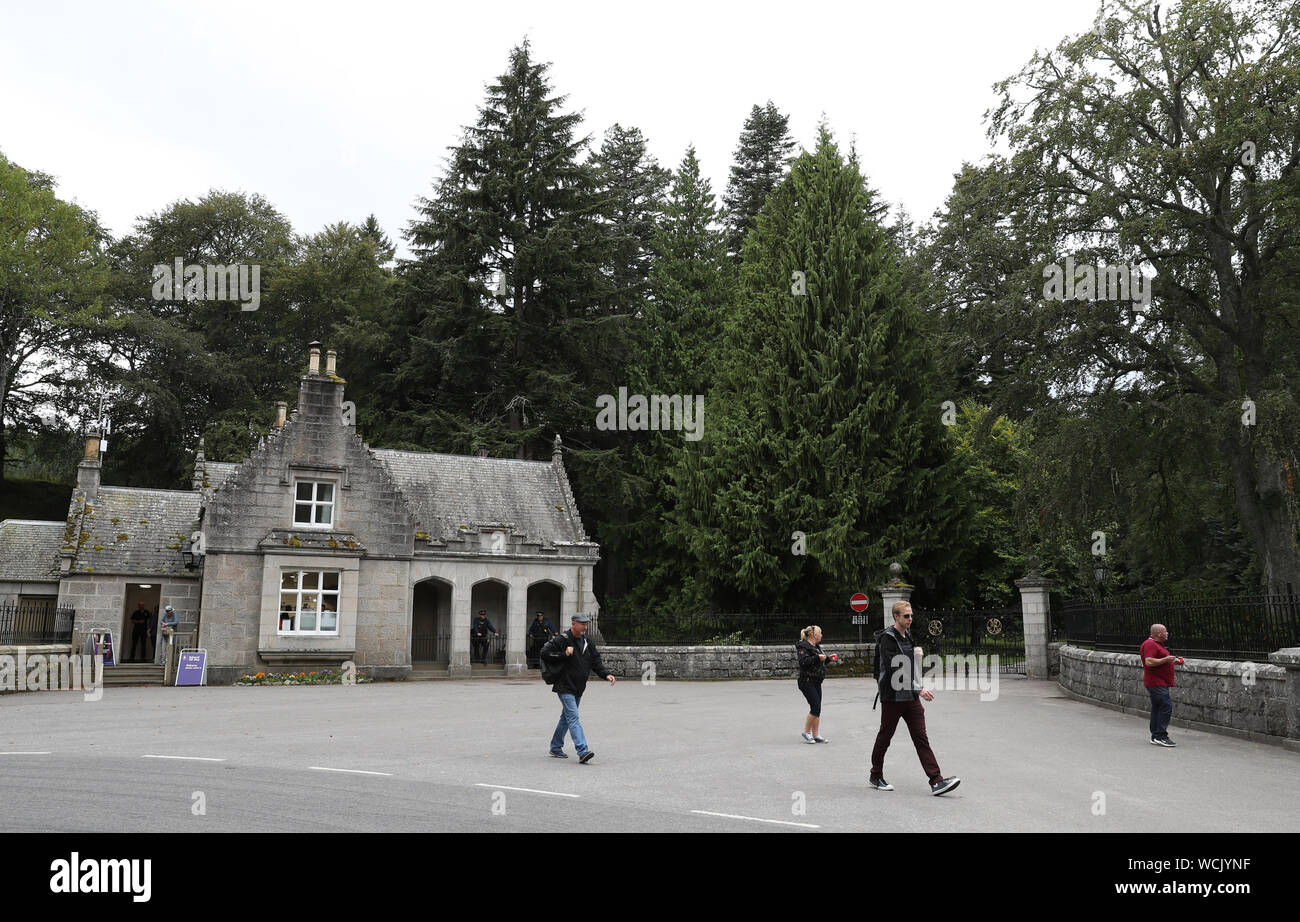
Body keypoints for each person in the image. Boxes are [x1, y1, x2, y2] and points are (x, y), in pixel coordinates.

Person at [870, 601, 961, 795]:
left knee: (921, 737)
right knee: (885, 737)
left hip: (910, 696)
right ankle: (876, 775)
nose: (910, 619)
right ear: (896, 616)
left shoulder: (907, 636)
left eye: (911, 615)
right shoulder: (888, 638)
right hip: (893, 696)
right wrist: (918, 689)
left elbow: (910, 667)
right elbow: (895, 669)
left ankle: (936, 781)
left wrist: (916, 660)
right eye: (906, 616)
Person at [540, 613, 615, 763]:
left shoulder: (587, 641)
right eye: (582, 624)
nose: (585, 627)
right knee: (573, 717)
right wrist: (564, 654)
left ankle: (555, 746)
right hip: (564, 685)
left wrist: (606, 674)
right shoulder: (563, 639)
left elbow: (596, 662)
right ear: (573, 624)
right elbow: (544, 653)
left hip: (579, 686)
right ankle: (582, 751)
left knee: (566, 718)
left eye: (586, 624)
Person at [1140, 623, 1182, 747]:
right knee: (1166, 706)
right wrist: (1166, 660)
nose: (1167, 633)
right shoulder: (1150, 644)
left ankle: (1155, 735)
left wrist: (1173, 661)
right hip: (1156, 682)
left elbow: (1160, 660)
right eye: (1165, 631)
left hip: (1159, 682)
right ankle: (1160, 735)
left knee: (1158, 707)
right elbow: (1149, 661)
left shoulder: (1156, 644)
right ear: (1159, 634)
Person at [795, 625, 837, 743]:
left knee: (817, 709)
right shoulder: (803, 647)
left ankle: (816, 734)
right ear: (814, 635)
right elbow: (803, 662)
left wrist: (828, 659)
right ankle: (806, 732)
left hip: (816, 681)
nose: (822, 635)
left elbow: (819, 662)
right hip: (807, 681)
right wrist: (817, 658)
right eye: (820, 633)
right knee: (815, 707)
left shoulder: (817, 647)